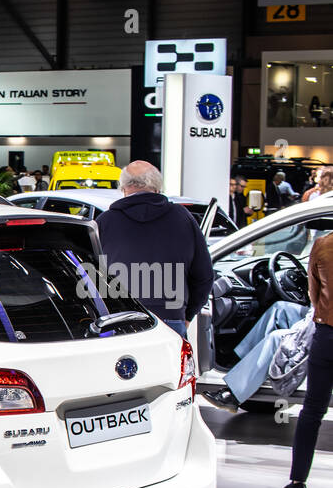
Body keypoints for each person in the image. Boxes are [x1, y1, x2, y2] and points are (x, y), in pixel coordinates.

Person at [95, 161, 213, 338]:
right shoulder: (183, 218)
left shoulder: (105, 222)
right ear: (158, 187)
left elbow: (91, 275)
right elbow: (204, 276)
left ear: (124, 188)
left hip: (120, 320)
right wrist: (187, 315)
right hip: (171, 317)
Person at [285, 232, 333, 488]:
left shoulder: (323, 244)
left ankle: (297, 481)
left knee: (313, 409)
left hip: (326, 335)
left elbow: (313, 295)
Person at [201, 299, 310, 410]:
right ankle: (242, 361)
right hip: (315, 317)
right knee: (280, 308)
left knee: (276, 339)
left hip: (321, 327)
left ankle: (234, 395)